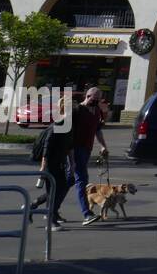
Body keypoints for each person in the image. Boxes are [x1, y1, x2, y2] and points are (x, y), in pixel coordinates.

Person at [32, 93, 74, 229]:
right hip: (51, 163)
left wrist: (72, 163)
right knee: (54, 190)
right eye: (70, 108)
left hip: (61, 162)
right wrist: (43, 166)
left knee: (62, 187)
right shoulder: (57, 124)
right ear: (63, 108)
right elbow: (47, 147)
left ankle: (33, 205)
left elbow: (69, 146)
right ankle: (50, 220)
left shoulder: (69, 125)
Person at [69, 88, 109, 226]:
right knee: (82, 180)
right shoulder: (77, 110)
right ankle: (87, 214)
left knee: (67, 182)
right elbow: (67, 133)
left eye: (98, 100)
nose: (96, 102)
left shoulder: (96, 111)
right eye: (94, 99)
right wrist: (71, 155)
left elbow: (97, 130)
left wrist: (103, 146)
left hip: (86, 150)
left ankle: (45, 207)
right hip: (74, 150)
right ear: (87, 96)